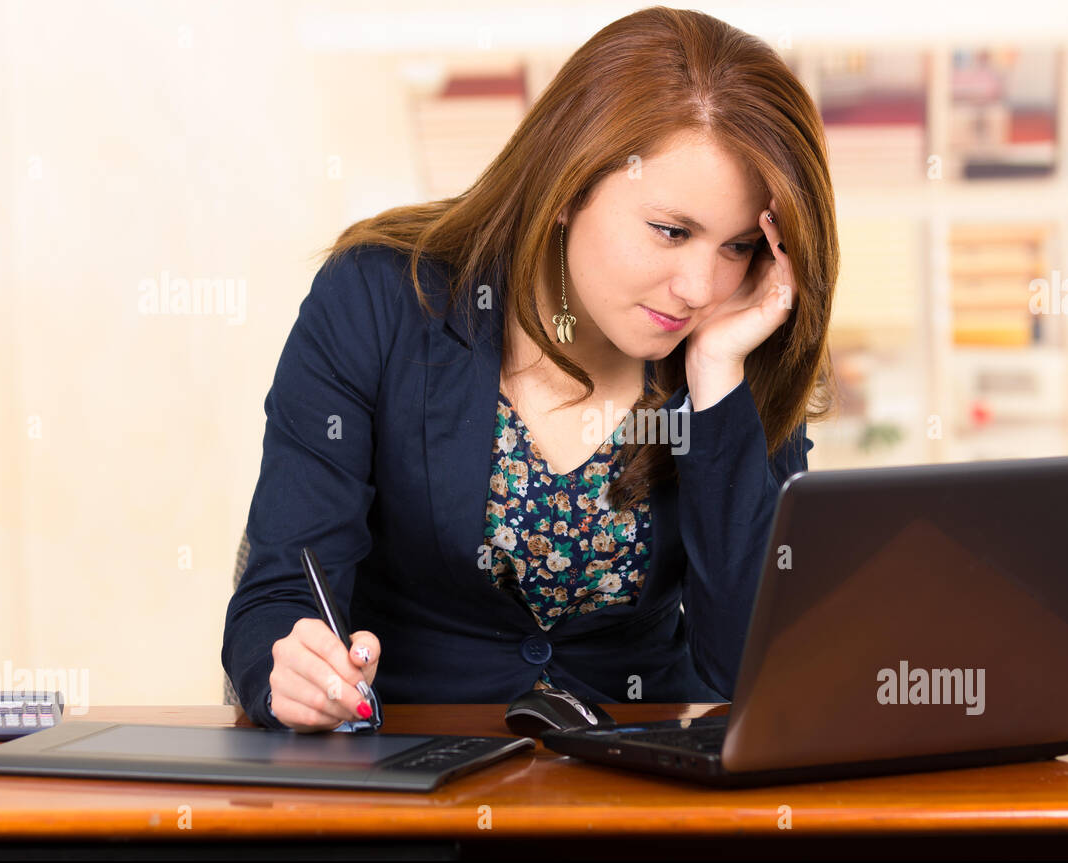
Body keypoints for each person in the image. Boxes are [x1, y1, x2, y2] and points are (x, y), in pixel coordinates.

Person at [222, 6, 838, 732]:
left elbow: (753, 669)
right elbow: (272, 602)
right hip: (409, 790)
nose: (701, 288)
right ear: (568, 186)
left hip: (639, 797)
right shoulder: (380, 299)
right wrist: (287, 670)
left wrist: (717, 384)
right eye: (672, 231)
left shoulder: (740, 354)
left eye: (737, 247)